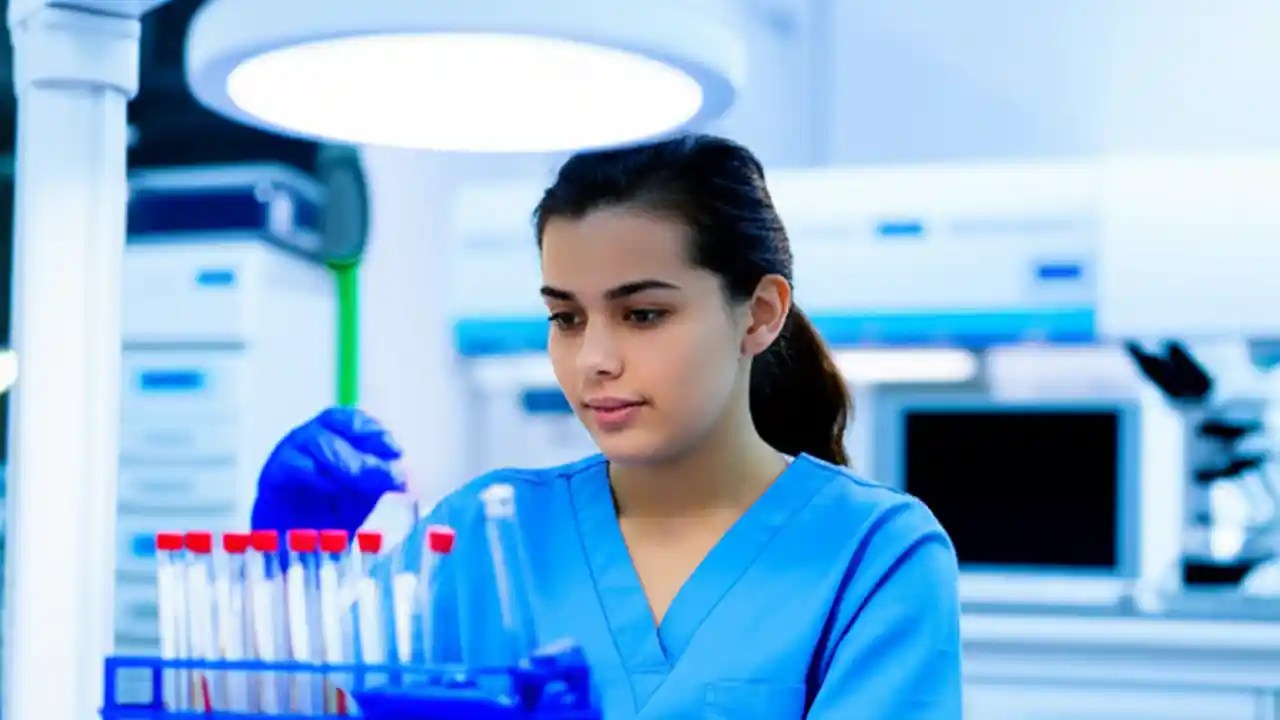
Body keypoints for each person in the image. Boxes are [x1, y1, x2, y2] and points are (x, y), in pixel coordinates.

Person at [252, 134, 963, 718]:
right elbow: (289, 700)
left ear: (760, 313)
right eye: (567, 318)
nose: (593, 359)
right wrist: (287, 574)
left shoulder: (874, 556)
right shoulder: (479, 535)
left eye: (643, 314)